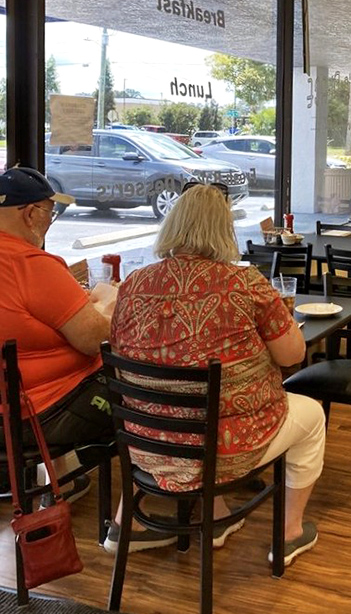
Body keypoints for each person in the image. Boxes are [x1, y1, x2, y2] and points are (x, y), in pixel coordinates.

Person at [107, 183, 325, 565]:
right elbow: (293, 354)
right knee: (312, 416)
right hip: (224, 449)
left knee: (195, 410)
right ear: (225, 229)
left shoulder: (132, 285)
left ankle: (203, 518)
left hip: (146, 443)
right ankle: (290, 530)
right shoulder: (245, 284)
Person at [0, 166, 113, 502]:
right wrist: (108, 302)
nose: (50, 221)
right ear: (31, 214)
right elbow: (95, 340)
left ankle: (62, 480)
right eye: (50, 212)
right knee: (139, 396)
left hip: (11, 409)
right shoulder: (30, 264)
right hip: (38, 415)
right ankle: (135, 517)